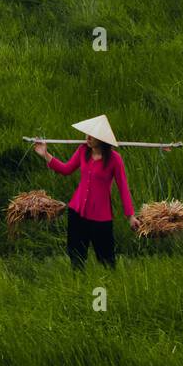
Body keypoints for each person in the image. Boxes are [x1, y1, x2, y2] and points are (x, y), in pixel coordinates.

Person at [34, 114, 141, 269]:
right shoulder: (83, 150)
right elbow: (66, 169)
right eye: (87, 133)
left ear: (102, 139)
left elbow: (123, 187)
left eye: (92, 135)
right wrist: (45, 154)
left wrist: (130, 216)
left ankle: (110, 286)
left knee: (107, 260)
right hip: (77, 212)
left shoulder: (114, 160)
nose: (87, 137)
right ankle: (79, 285)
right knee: (76, 256)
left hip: (100, 217)